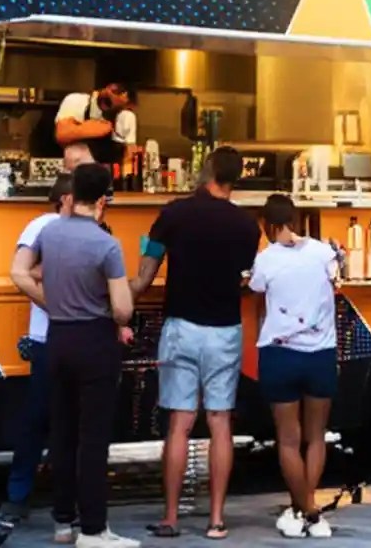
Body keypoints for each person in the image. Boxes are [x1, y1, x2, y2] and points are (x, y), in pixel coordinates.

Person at [131, 146, 260, 540]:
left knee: (180, 423)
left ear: (206, 171)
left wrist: (123, 299)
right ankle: (217, 520)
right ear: (236, 179)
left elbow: (146, 272)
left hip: (182, 328)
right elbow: (245, 277)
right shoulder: (247, 227)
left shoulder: (173, 214)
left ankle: (170, 517)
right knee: (220, 421)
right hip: (224, 330)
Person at [9, 163, 138, 548]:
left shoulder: (49, 232)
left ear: (72, 193)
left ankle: (63, 523)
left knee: (62, 434)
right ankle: (95, 530)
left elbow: (20, 271)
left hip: (57, 338)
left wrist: (51, 301)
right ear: (102, 200)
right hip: (94, 342)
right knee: (93, 439)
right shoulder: (106, 244)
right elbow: (122, 311)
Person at [249, 194, 340, 538]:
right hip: (320, 355)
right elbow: (336, 278)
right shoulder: (322, 252)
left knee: (288, 441)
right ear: (296, 219)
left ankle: (308, 513)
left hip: (280, 356)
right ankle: (310, 511)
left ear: (268, 225)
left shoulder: (265, 260)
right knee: (316, 437)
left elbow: (256, 290)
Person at [0, 174, 74, 530]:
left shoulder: (88, 229)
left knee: (44, 421)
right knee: (43, 420)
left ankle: (22, 498)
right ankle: (23, 496)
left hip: (61, 336)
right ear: (66, 198)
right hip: (52, 335)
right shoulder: (43, 225)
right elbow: (22, 271)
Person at [54, 82, 138, 166]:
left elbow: (130, 155)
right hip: (74, 171)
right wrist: (97, 128)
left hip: (107, 174)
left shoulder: (127, 117)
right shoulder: (76, 101)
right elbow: (62, 134)